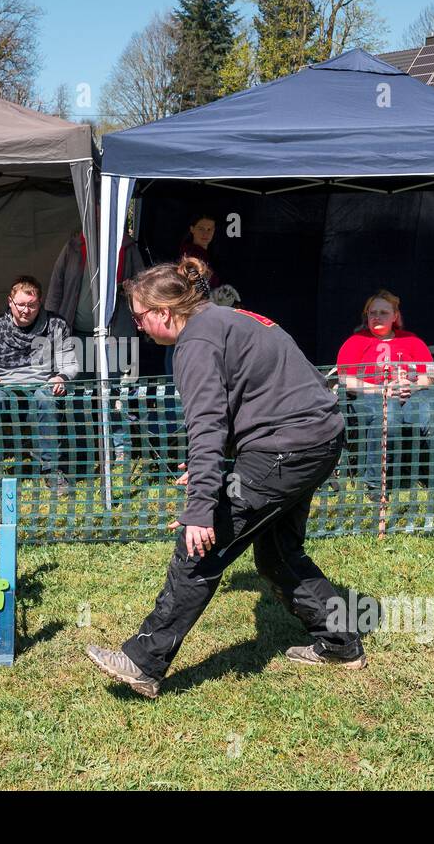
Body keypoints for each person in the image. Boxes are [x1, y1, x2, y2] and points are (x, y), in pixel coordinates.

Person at [85, 257, 365, 699]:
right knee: (278, 554)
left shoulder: (195, 342)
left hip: (286, 448)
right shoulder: (224, 318)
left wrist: (200, 511)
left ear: (163, 312)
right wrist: (207, 467)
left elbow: (208, 424)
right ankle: (340, 643)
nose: (138, 327)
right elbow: (260, 390)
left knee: (200, 550)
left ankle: (143, 661)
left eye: (139, 317)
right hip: (318, 439)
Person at [336, 290, 434, 503]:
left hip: (411, 394)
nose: (377, 317)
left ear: (395, 316)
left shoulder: (412, 341)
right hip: (371, 395)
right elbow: (344, 380)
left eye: (383, 312)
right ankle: (377, 486)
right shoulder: (355, 342)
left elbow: (429, 376)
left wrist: (412, 387)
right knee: (389, 416)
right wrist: (382, 390)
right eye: (372, 313)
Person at [0, 276, 78, 495]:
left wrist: (62, 378)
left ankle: (52, 473)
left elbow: (70, 364)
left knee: (47, 399)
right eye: (21, 305)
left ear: (40, 302)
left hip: (42, 384)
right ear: (10, 302)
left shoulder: (56, 325)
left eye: (32, 305)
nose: (26, 310)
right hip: (3, 386)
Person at [45, 229, 145, 463]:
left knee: (116, 391)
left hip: (116, 333)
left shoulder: (127, 247)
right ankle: (85, 447)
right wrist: (51, 325)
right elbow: (56, 285)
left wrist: (131, 287)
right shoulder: (73, 247)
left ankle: (121, 452)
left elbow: (146, 286)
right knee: (80, 393)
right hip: (77, 332)